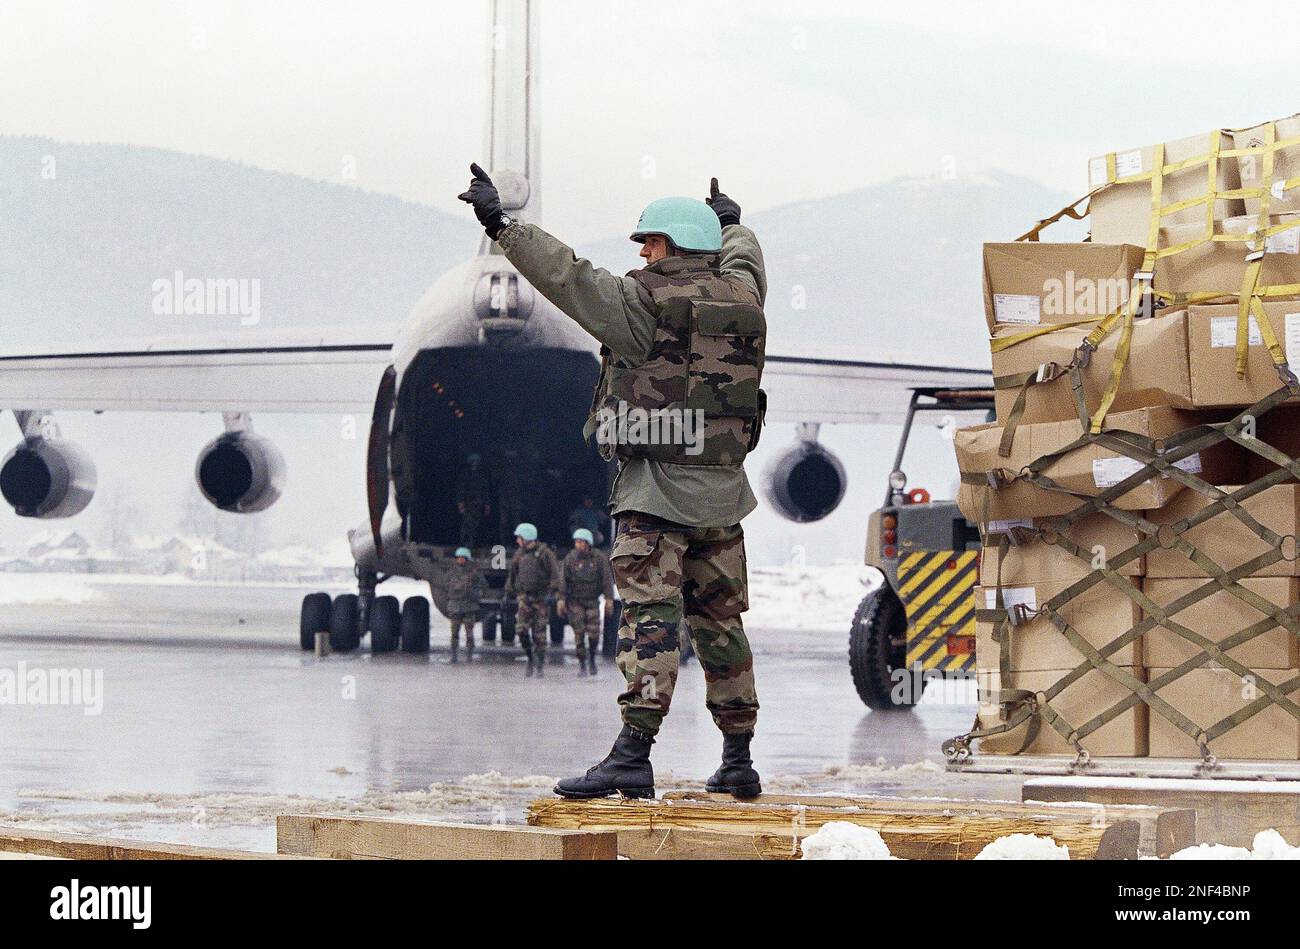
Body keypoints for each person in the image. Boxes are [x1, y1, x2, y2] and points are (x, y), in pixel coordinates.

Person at [460, 166, 765, 799]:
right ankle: (738, 756)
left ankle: (633, 753)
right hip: (722, 494)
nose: (644, 253)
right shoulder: (744, 297)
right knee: (721, 623)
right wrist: (733, 224)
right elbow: (747, 258)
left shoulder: (639, 307)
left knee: (649, 621)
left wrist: (501, 226)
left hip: (655, 493)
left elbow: (566, 276)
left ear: (675, 247)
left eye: (651, 242)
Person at [503, 522, 561, 677]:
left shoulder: (545, 553)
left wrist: (553, 592)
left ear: (527, 538)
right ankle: (530, 657)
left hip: (541, 599)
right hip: (524, 598)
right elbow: (513, 574)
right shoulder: (519, 554)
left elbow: (555, 574)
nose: (517, 541)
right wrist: (508, 593)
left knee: (539, 635)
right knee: (521, 630)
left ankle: (540, 665)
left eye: (519, 537)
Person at [559, 528, 615, 676]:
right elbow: (563, 580)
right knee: (579, 634)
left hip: (592, 601)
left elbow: (606, 580)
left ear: (587, 543)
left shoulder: (599, 558)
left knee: (594, 634)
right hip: (575, 602)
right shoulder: (570, 559)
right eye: (576, 542)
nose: (577, 545)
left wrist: (609, 599)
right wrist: (561, 599)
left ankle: (592, 658)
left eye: (580, 542)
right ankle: (582, 663)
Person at [445, 547, 484, 663]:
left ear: (467, 559)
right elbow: (446, 586)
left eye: (463, 558)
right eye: (459, 558)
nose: (461, 560)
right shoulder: (451, 573)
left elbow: (483, 584)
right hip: (456, 606)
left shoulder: (474, 573)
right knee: (454, 633)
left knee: (469, 633)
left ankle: (470, 654)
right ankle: (454, 654)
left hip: (469, 607)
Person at [455, 453, 490, 547]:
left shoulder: (481, 476)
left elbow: (485, 491)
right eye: (474, 462)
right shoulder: (465, 475)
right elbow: (461, 490)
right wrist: (460, 503)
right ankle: (464, 542)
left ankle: (471, 542)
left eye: (477, 462)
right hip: (467, 502)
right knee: (467, 523)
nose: (475, 464)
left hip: (477, 503)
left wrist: (487, 505)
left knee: (474, 523)